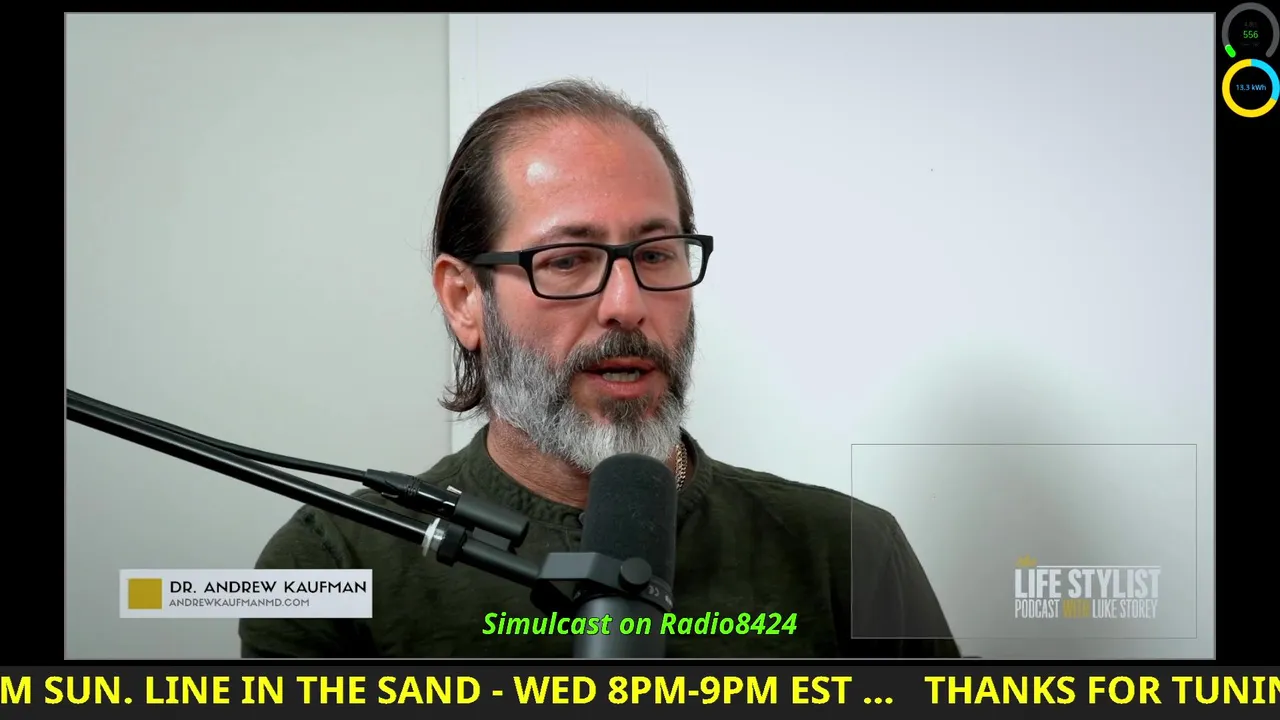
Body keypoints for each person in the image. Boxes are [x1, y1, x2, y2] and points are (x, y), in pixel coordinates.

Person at [240, 78, 960, 659]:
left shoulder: (849, 552)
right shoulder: (332, 567)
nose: (627, 304)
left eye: (656, 254)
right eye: (567, 261)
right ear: (465, 300)